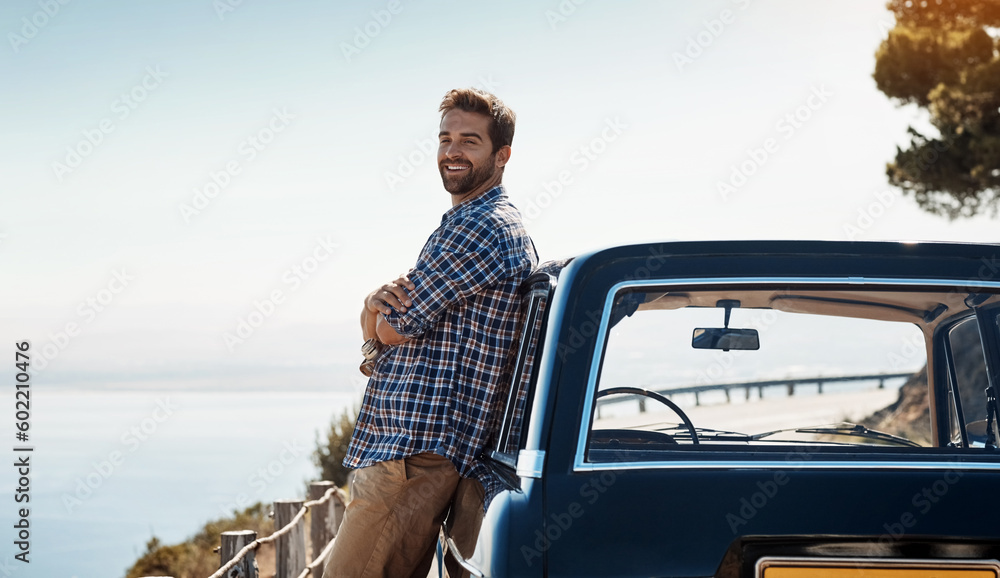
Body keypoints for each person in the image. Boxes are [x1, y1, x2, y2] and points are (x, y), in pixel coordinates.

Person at [323, 88, 538, 578]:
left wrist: (368, 312)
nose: (451, 151)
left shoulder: (482, 226)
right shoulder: (470, 222)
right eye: (444, 139)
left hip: (414, 453)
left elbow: (392, 326)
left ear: (502, 155)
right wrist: (375, 324)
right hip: (414, 452)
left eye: (469, 140)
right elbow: (393, 330)